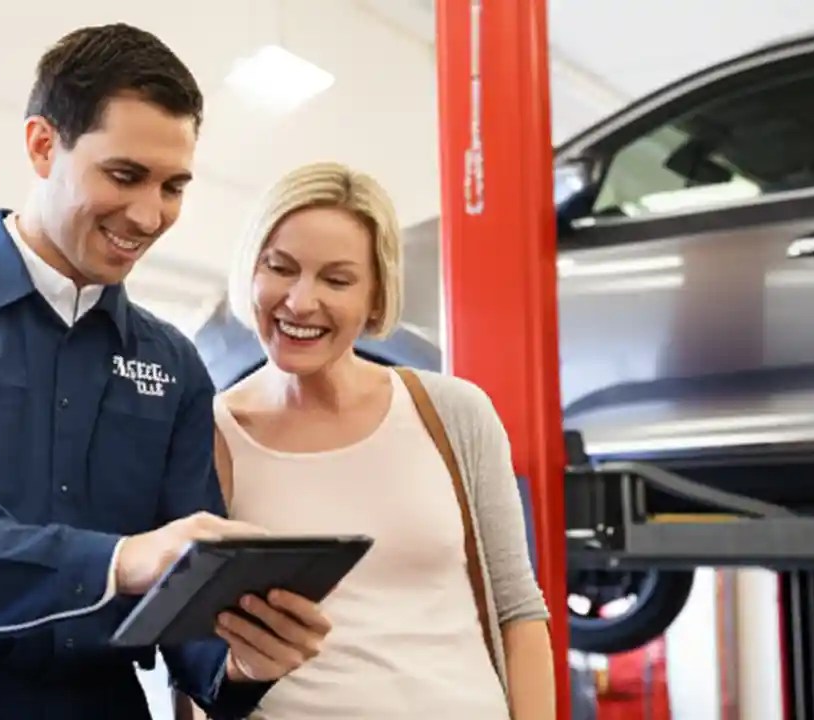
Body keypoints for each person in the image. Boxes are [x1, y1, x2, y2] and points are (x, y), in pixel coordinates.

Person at [0, 24, 332, 720]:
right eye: (124, 176)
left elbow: (187, 608)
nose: (150, 215)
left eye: (173, 186)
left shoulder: (171, 365)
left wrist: (240, 662)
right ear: (42, 145)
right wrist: (117, 560)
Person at [208, 161, 557, 718]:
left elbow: (518, 610)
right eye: (281, 268)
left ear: (375, 297)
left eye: (337, 280)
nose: (300, 301)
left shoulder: (453, 413)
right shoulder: (213, 437)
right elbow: (197, 658)